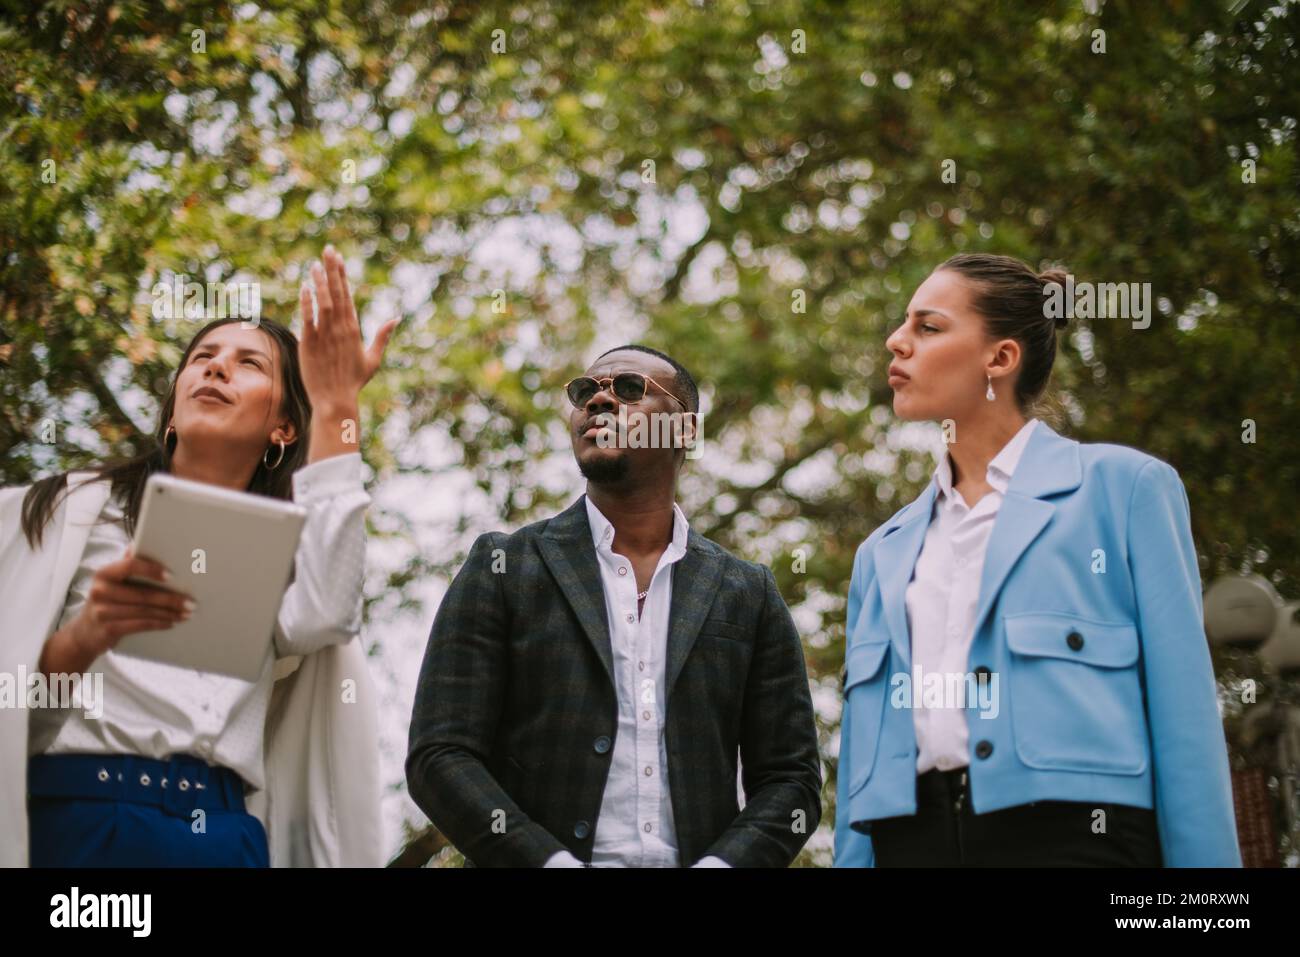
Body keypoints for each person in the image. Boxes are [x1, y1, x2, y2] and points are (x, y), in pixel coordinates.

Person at [834, 253, 1241, 867]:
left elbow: (1185, 720)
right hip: (911, 845)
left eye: (929, 326)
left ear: (999, 359)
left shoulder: (1124, 490)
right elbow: (861, 768)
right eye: (903, 324)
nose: (897, 340)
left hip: (1080, 844)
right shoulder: (882, 552)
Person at [0, 247, 395, 867]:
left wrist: (338, 403)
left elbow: (325, 614)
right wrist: (86, 637)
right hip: (79, 823)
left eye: (247, 364)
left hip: (224, 838)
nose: (215, 370)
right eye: (202, 359)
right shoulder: (63, 513)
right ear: (175, 404)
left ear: (285, 427)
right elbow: (10, 703)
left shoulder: (292, 553)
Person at [406, 345, 821, 867]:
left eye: (629, 389)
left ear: (685, 431)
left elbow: (791, 781)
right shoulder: (505, 566)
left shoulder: (748, 592)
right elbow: (439, 756)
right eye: (585, 391)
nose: (598, 399)